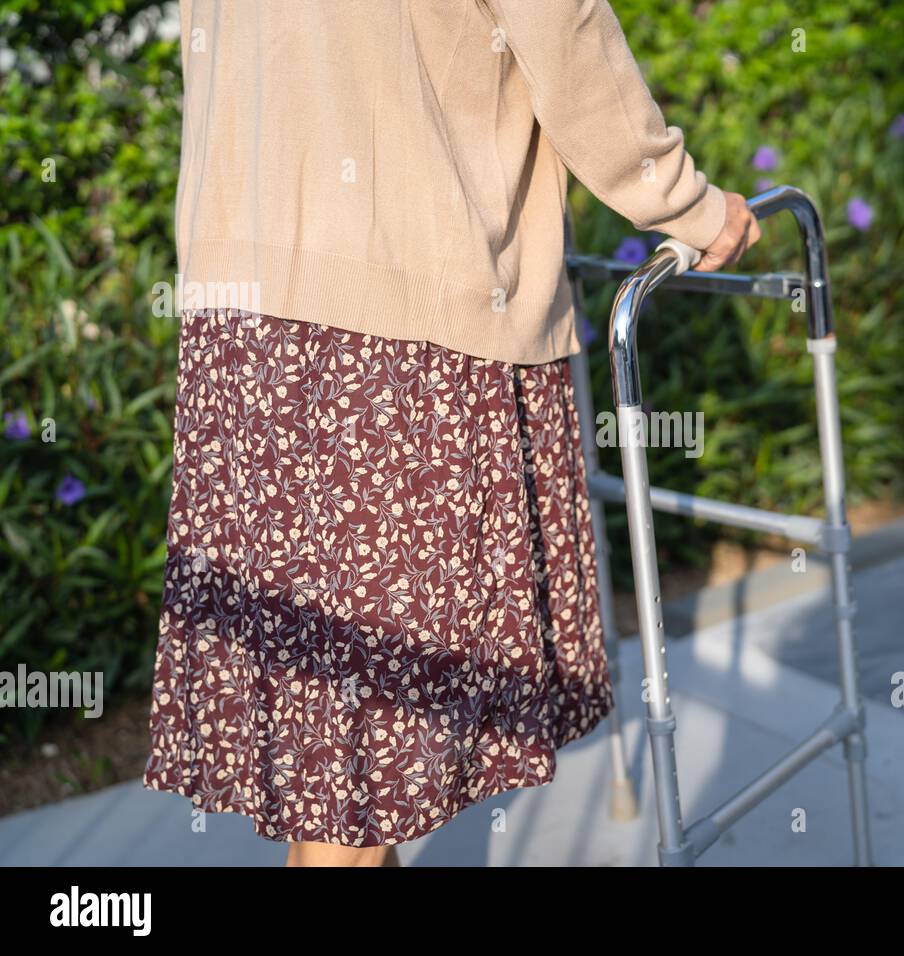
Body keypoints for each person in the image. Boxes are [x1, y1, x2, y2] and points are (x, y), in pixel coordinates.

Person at [141, 0, 761, 867]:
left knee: (336, 754)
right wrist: (685, 201)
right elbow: (563, 26)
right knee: (355, 784)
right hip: (398, 330)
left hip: (245, 321)